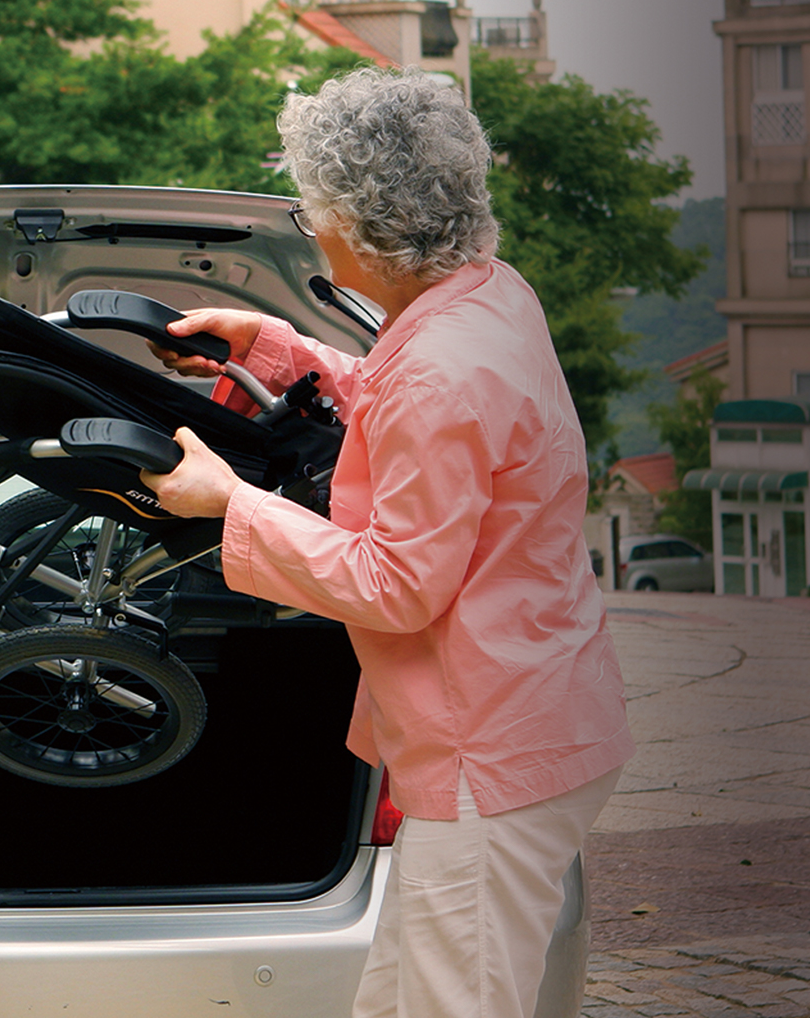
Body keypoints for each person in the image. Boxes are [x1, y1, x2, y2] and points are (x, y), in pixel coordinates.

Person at [140, 68, 633, 1018]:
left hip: (488, 753)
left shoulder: (441, 367)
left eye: (312, 208)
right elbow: (405, 404)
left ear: (363, 224)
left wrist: (230, 502)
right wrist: (272, 345)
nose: (310, 229)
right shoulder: (487, 297)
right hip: (535, 709)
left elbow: (397, 583)